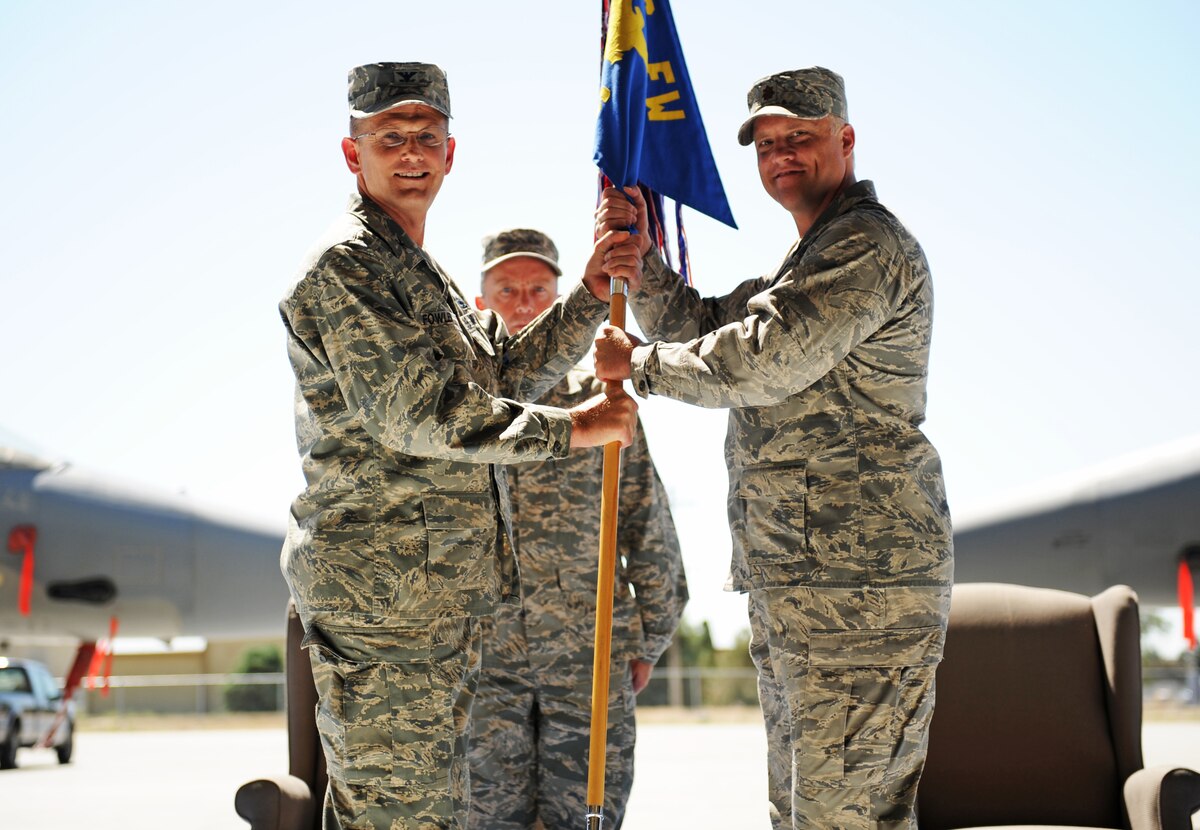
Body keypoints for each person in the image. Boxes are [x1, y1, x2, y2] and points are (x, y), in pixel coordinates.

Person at [279, 62, 643, 830]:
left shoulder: (425, 276)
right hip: (387, 608)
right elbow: (416, 412)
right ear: (354, 154)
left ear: (451, 152)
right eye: (390, 137)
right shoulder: (348, 264)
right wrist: (577, 429)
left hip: (438, 604)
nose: (411, 153)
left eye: (426, 136)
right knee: (397, 817)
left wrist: (585, 291)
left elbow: (505, 373)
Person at [592, 67, 953, 829]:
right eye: (766, 143)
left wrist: (639, 366)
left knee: (844, 818)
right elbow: (702, 326)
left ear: (844, 141)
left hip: (859, 595)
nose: (781, 153)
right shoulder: (802, 266)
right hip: (804, 588)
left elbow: (761, 357)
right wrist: (641, 260)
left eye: (800, 137)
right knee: (803, 815)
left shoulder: (866, 247)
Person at [466, 229, 688, 830]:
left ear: (559, 295)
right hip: (487, 658)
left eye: (537, 288)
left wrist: (651, 635)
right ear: (481, 303)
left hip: (588, 653)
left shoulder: (604, 401)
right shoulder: (460, 409)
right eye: (506, 289)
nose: (523, 301)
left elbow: (647, 521)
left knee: (585, 814)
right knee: (485, 817)